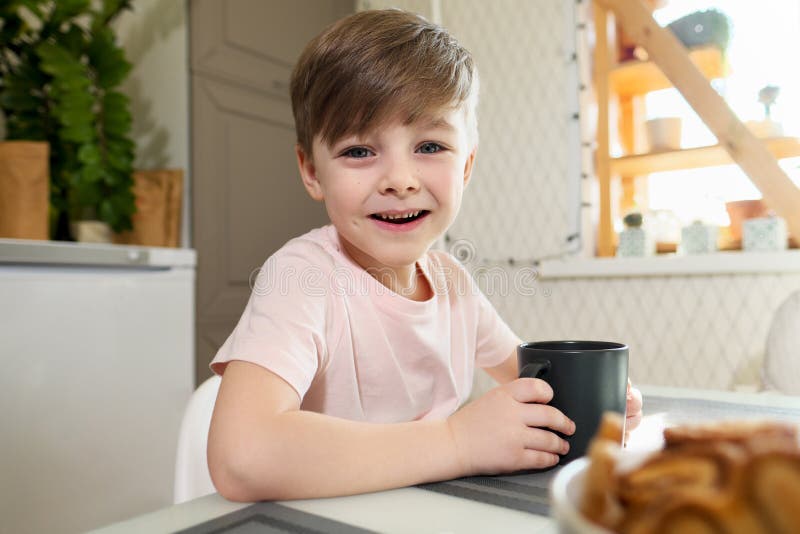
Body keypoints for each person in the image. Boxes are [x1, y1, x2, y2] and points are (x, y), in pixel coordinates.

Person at [207, 9, 643, 502]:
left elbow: (534, 379)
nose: (400, 179)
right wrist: (457, 441)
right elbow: (241, 458)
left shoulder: (453, 283)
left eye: (430, 145)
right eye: (358, 151)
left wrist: (592, 404)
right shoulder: (303, 278)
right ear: (311, 170)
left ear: (467, 166)